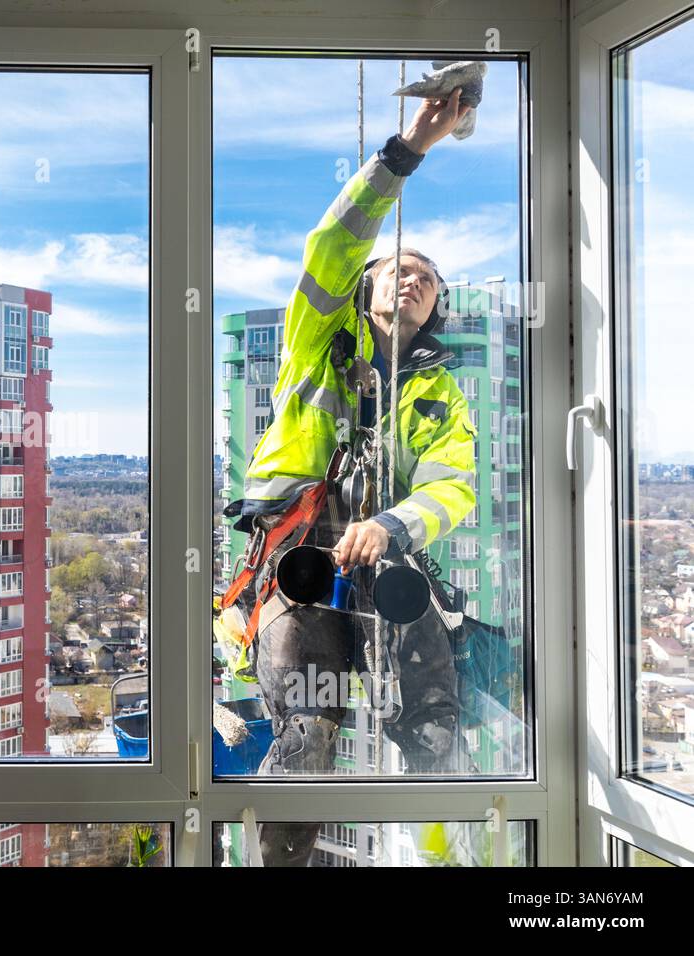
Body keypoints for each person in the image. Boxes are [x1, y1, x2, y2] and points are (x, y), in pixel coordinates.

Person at [224, 89, 480, 866]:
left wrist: (394, 525)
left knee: (433, 720)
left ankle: (447, 857)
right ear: (365, 287)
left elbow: (452, 484)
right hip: (298, 552)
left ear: (434, 310)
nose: (411, 281)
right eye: (397, 269)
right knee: (308, 723)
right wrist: (410, 148)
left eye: (427, 280)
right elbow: (332, 243)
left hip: (383, 558)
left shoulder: (437, 392)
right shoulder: (314, 343)